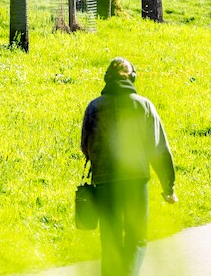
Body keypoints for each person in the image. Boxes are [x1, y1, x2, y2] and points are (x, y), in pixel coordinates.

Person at [81, 57, 177, 276]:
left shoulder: (93, 107)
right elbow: (159, 149)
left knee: (110, 240)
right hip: (135, 180)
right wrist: (168, 187)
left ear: (107, 79)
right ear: (133, 77)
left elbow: (85, 146)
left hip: (104, 182)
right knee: (136, 239)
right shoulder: (143, 105)